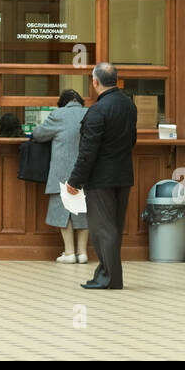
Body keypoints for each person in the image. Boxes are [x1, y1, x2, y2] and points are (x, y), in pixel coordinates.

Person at [66, 63, 137, 290]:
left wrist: (74, 180)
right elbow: (132, 140)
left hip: (101, 180)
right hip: (123, 176)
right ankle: (106, 273)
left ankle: (110, 278)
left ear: (95, 82)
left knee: (102, 230)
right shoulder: (129, 105)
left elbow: (88, 151)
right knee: (113, 228)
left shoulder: (98, 110)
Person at [32, 89, 89, 263]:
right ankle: (83, 253)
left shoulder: (58, 115)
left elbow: (38, 134)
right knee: (83, 211)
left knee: (63, 211)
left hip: (62, 171)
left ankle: (69, 252)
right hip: (87, 170)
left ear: (62, 102)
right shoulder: (91, 113)